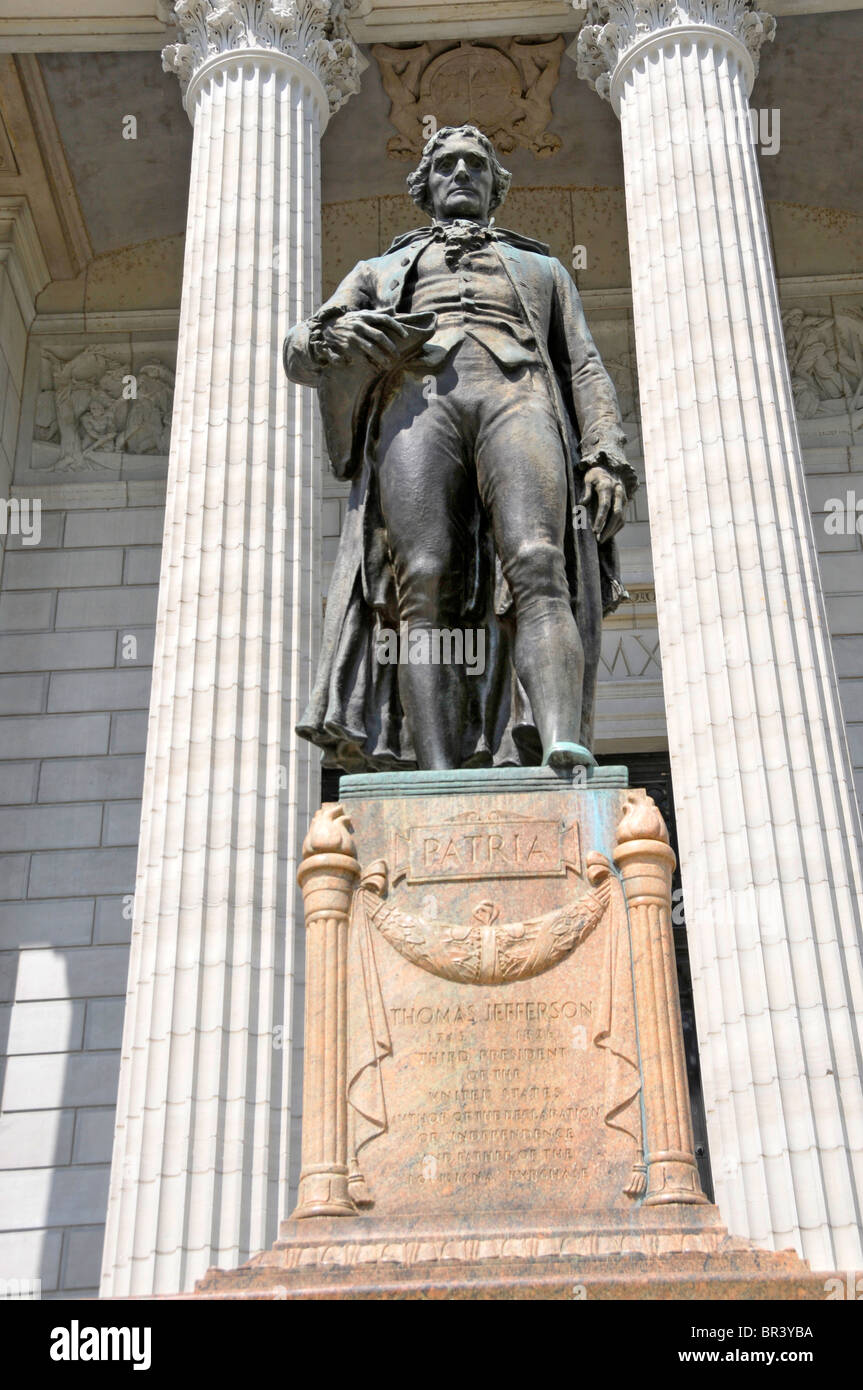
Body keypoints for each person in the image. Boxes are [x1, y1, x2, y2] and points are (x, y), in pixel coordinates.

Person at [284, 124, 637, 771]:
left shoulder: (544, 269)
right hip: (419, 407)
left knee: (538, 560)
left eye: (476, 164)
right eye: (446, 164)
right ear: (424, 185)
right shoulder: (377, 271)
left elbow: (582, 365)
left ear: (495, 184)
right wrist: (337, 334)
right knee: (422, 580)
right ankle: (438, 772)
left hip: (517, 396)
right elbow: (300, 351)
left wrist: (606, 452)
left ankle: (561, 739)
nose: (461, 173)